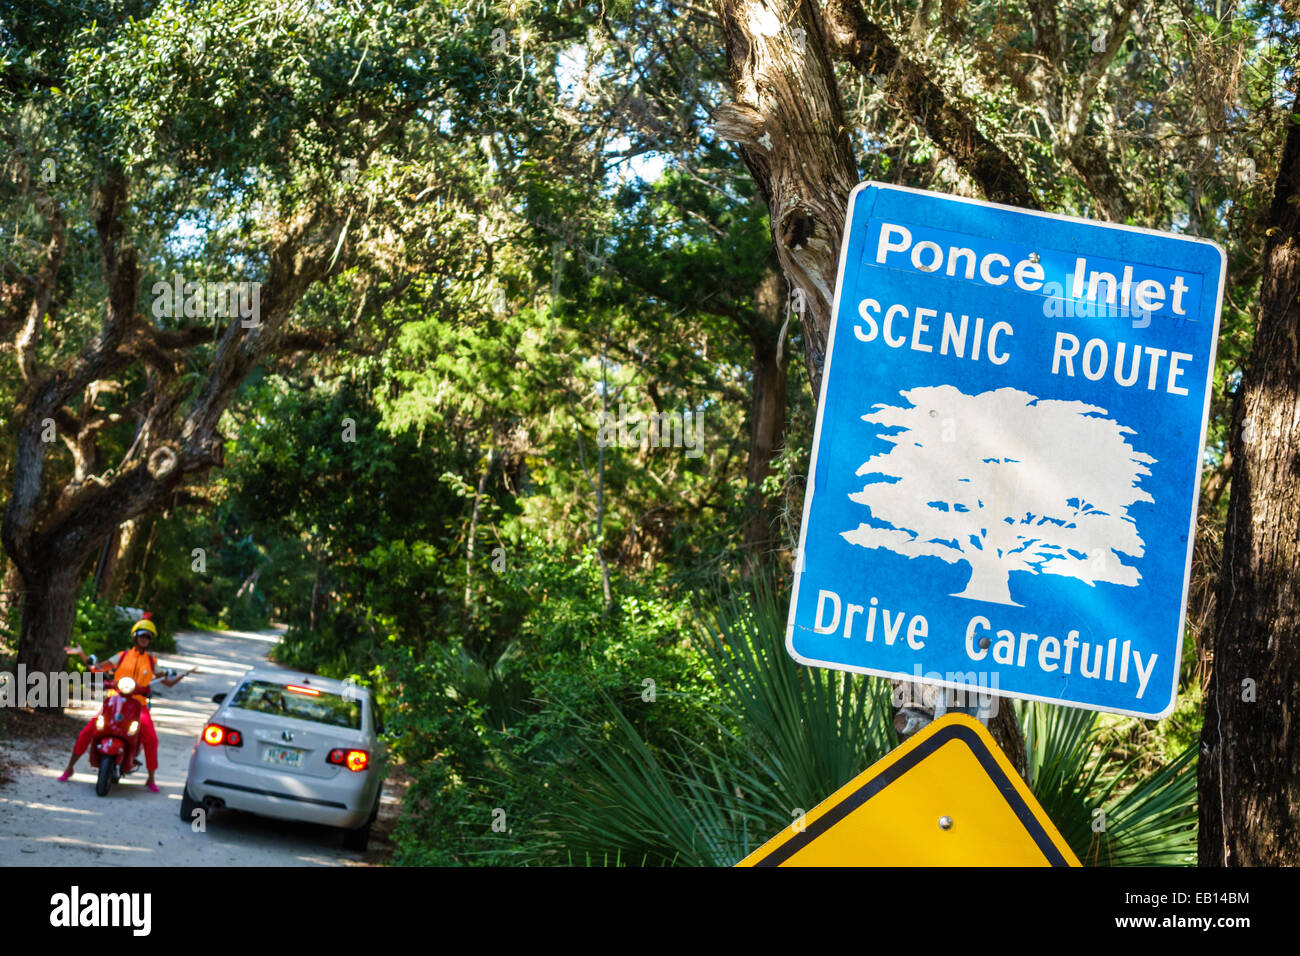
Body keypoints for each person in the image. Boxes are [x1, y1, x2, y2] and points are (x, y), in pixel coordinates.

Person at [58, 614, 196, 793]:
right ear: (135, 636)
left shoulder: (152, 661)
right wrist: (83, 654)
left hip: (138, 704)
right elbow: (96, 668)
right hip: (115, 701)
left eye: (148, 637)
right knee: (89, 730)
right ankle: (69, 768)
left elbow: (167, 681)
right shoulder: (122, 656)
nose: (144, 639)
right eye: (142, 635)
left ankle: (150, 778)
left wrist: (181, 675)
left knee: (151, 738)